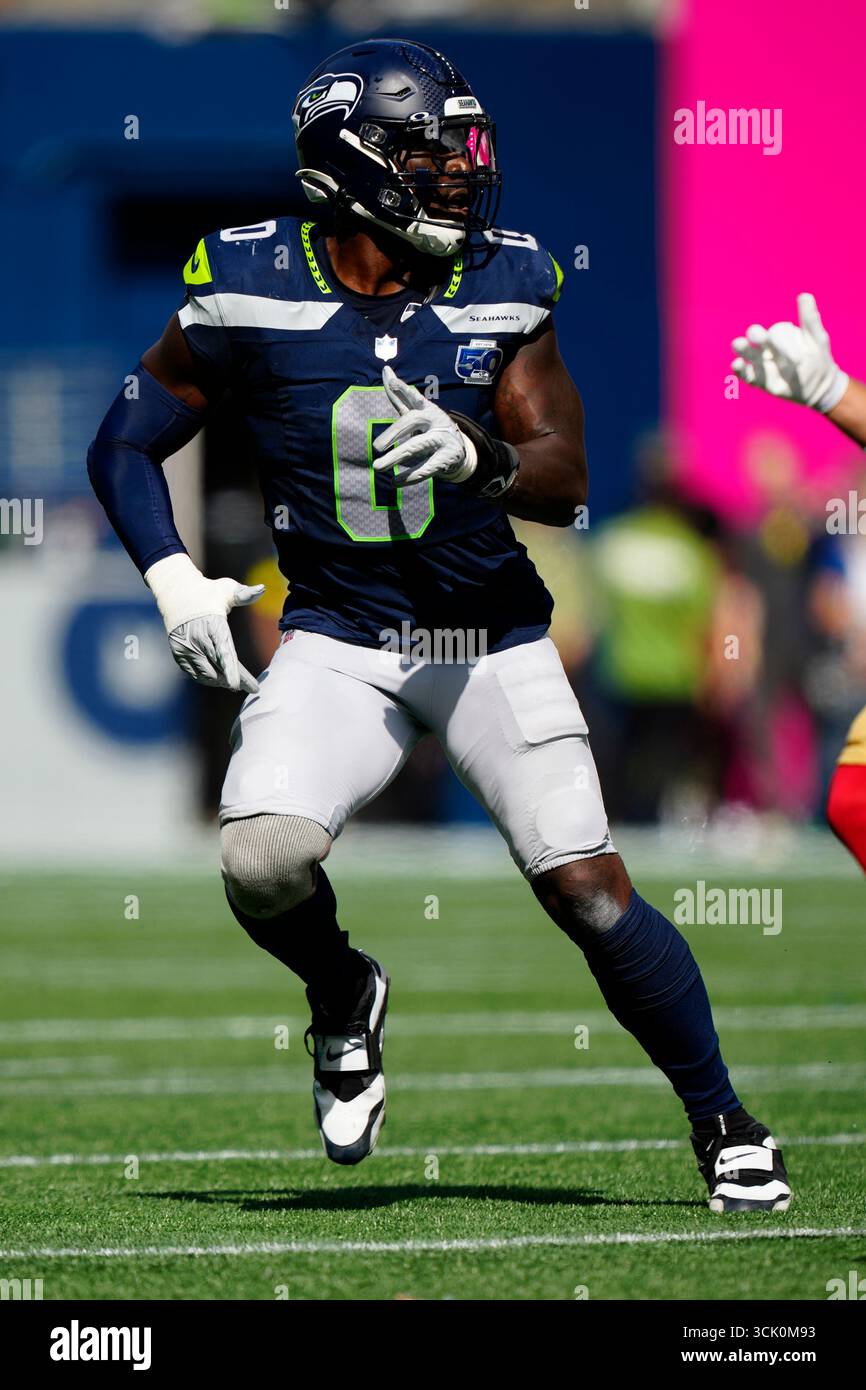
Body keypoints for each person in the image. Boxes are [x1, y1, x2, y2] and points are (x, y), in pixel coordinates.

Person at [88, 38, 790, 1213]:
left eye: (463, 146)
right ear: (351, 164)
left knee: (587, 889)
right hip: (336, 634)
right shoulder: (249, 278)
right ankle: (339, 991)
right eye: (427, 150)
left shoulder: (502, 278)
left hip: (487, 637)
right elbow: (125, 438)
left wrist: (483, 455)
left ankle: (722, 1118)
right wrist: (168, 577)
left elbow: (563, 478)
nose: (461, 171)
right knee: (260, 859)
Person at [732, 294, 866, 867]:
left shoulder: (813, 523)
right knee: (848, 798)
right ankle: (778, 812)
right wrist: (832, 392)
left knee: (844, 788)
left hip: (810, 646)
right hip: (778, 643)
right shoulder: (754, 529)